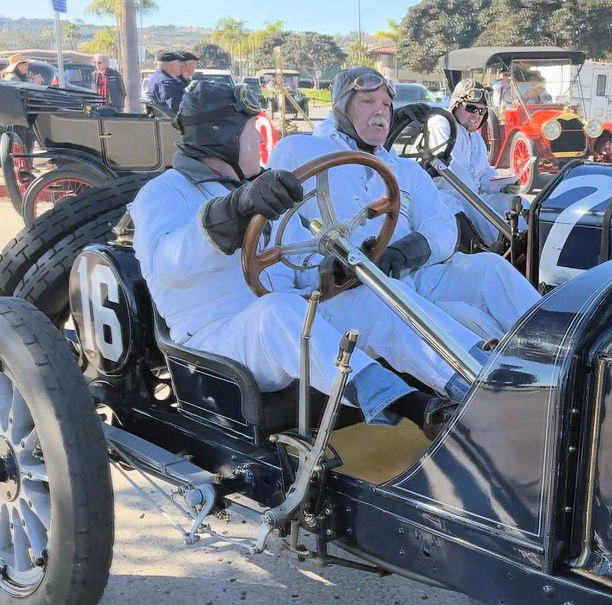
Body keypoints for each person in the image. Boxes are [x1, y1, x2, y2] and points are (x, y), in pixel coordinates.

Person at [129, 81, 464, 438]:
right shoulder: (163, 192)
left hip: (284, 322)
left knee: (374, 297)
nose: (260, 142)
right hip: (215, 339)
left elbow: (297, 262)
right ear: (221, 136)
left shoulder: (255, 190)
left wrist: (332, 271)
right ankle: (417, 408)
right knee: (277, 311)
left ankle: (471, 381)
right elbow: (166, 264)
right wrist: (231, 211)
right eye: (251, 132)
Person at [267, 67, 541, 342]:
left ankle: (562, 348)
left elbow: (443, 226)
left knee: (491, 268)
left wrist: (404, 252)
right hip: (354, 289)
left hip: (418, 273)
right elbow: (276, 230)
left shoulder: (405, 170)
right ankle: (497, 372)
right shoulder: (301, 152)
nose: (381, 111)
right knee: (463, 319)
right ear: (340, 108)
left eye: (386, 105)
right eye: (367, 102)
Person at [426, 79, 522, 246]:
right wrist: (479, 199)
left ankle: (525, 247)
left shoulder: (476, 138)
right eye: (471, 108)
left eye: (482, 111)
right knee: (479, 211)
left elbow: (485, 174)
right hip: (444, 196)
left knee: (518, 204)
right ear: (456, 104)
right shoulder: (442, 123)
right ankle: (499, 252)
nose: (477, 115)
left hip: (472, 195)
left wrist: (504, 185)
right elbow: (453, 175)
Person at [146, 50, 185, 116]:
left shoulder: (156, 77)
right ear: (171, 65)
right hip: (172, 123)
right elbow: (175, 106)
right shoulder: (166, 82)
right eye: (178, 62)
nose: (181, 65)